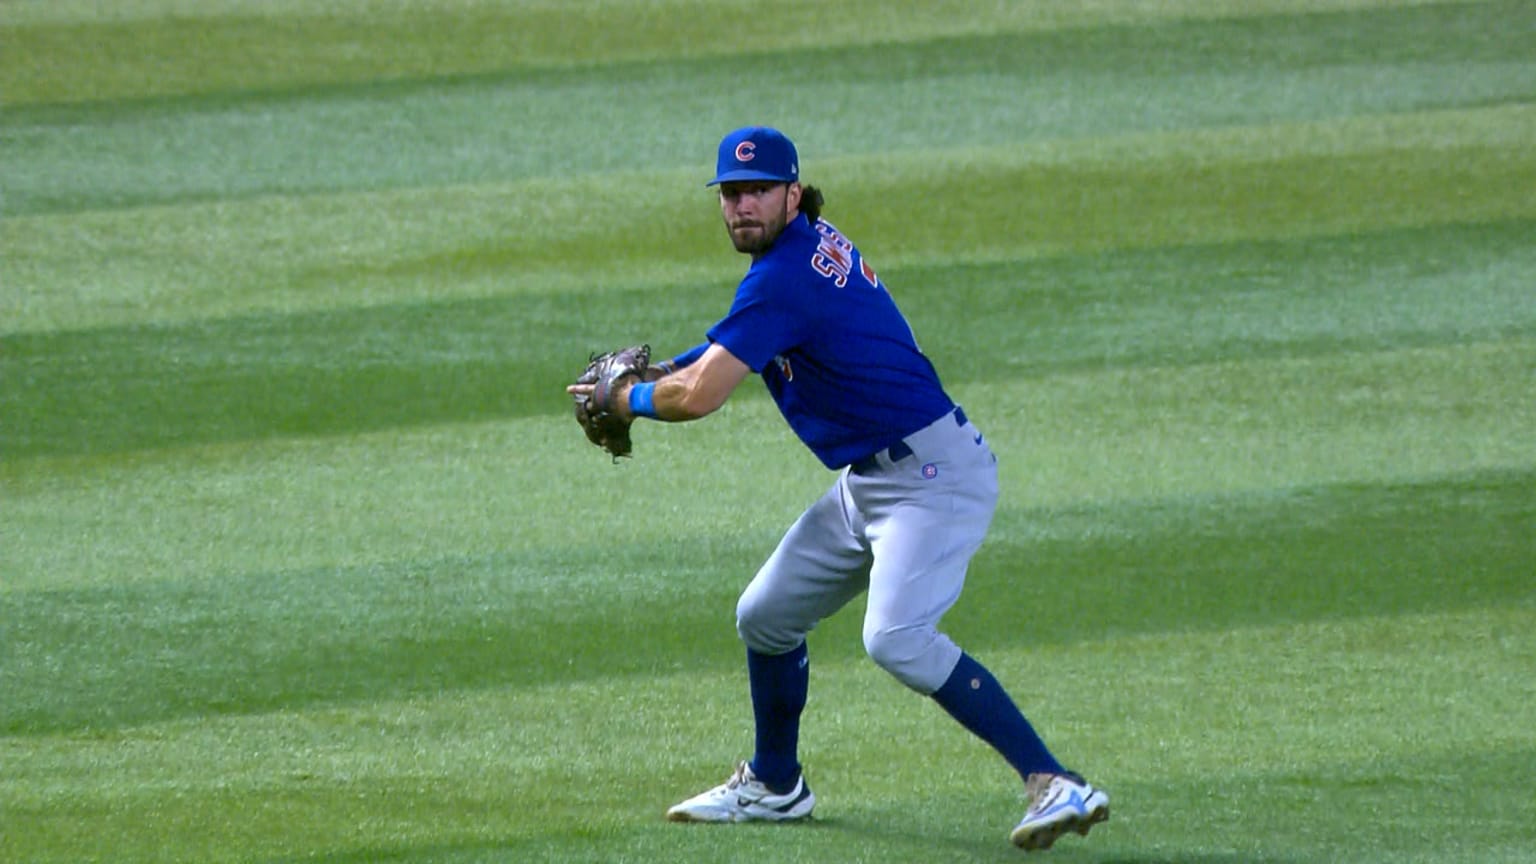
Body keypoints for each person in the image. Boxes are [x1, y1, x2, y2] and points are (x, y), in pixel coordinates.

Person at [566, 126, 1109, 851]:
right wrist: (659, 367)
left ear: (793, 193)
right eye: (730, 193)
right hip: (873, 482)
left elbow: (701, 396)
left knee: (896, 638)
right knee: (765, 615)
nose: (742, 206)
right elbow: (731, 346)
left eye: (757, 191)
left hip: (931, 477)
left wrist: (626, 398)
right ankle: (775, 784)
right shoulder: (797, 254)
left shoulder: (783, 277)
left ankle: (1053, 780)